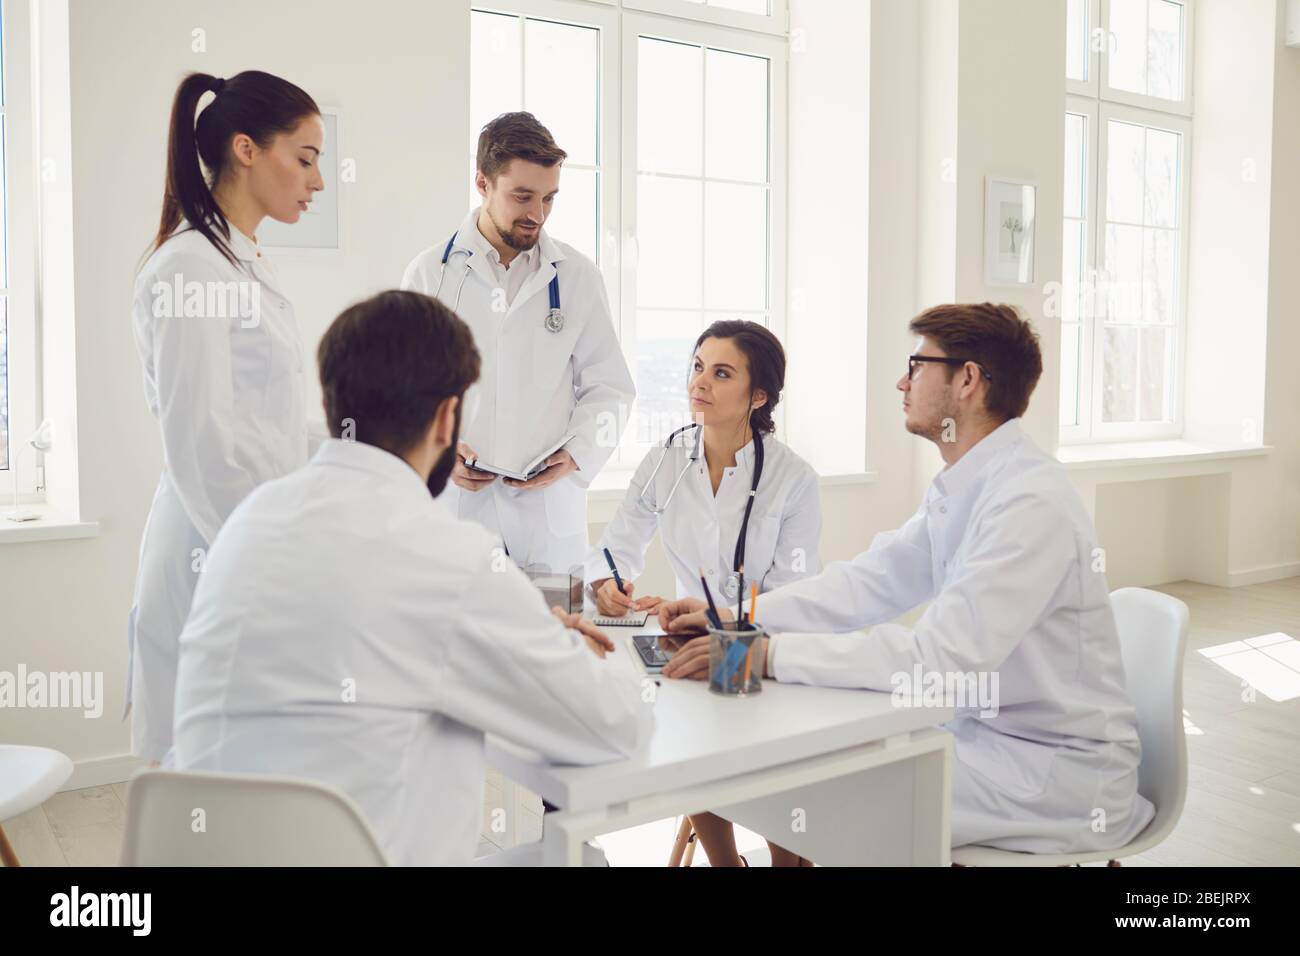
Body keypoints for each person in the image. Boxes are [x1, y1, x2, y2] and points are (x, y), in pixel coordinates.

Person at [172, 291, 651, 866]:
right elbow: (617, 728)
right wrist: (588, 655)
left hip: (207, 850)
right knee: (583, 862)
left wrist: (521, 634)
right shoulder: (449, 558)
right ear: (448, 416)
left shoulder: (254, 515)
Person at [659, 303, 1156, 856]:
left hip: (1051, 773)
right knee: (788, 765)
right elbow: (869, 582)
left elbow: (934, 664)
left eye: (917, 365)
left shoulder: (1028, 503)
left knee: (807, 785)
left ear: (967, 380)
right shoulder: (967, 483)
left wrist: (765, 656)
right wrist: (736, 618)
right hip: (981, 740)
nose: (902, 380)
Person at [127, 70, 324, 762]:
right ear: (246, 148)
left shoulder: (238, 262)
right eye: (304, 158)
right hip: (211, 550)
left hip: (245, 543)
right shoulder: (190, 270)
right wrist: (268, 564)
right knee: (208, 786)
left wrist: (370, 442)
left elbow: (266, 423)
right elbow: (201, 447)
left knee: (254, 780)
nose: (318, 181)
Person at [589, 319, 821, 867]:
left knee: (773, 750)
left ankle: (789, 862)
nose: (700, 382)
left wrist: (727, 620)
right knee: (677, 728)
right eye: (697, 367)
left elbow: (796, 593)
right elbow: (618, 543)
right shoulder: (667, 459)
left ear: (758, 394)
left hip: (764, 647)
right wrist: (610, 585)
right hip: (689, 648)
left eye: (721, 373)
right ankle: (724, 863)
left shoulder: (793, 479)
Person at [401, 111, 633, 575]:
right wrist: (439, 453)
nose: (537, 215)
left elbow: (610, 387)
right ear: (482, 183)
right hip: (456, 509)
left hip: (545, 515)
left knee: (551, 638)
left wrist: (577, 453)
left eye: (549, 199)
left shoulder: (578, 277)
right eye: (522, 196)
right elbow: (399, 388)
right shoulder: (430, 274)